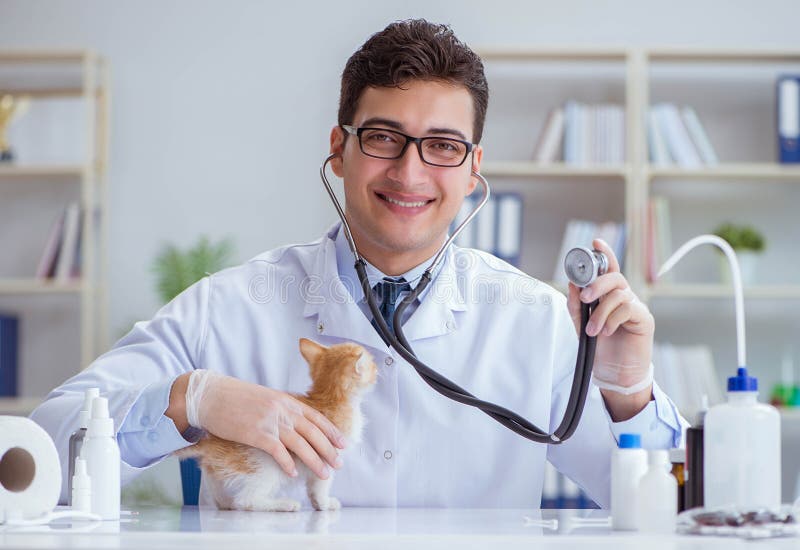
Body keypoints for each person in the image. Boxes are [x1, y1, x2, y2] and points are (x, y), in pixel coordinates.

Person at [32, 19, 686, 508]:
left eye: (442, 145)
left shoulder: (537, 320)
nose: (410, 171)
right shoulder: (230, 306)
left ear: (473, 170)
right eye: (382, 138)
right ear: (338, 148)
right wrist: (185, 400)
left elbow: (667, 512)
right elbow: (35, 462)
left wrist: (627, 394)